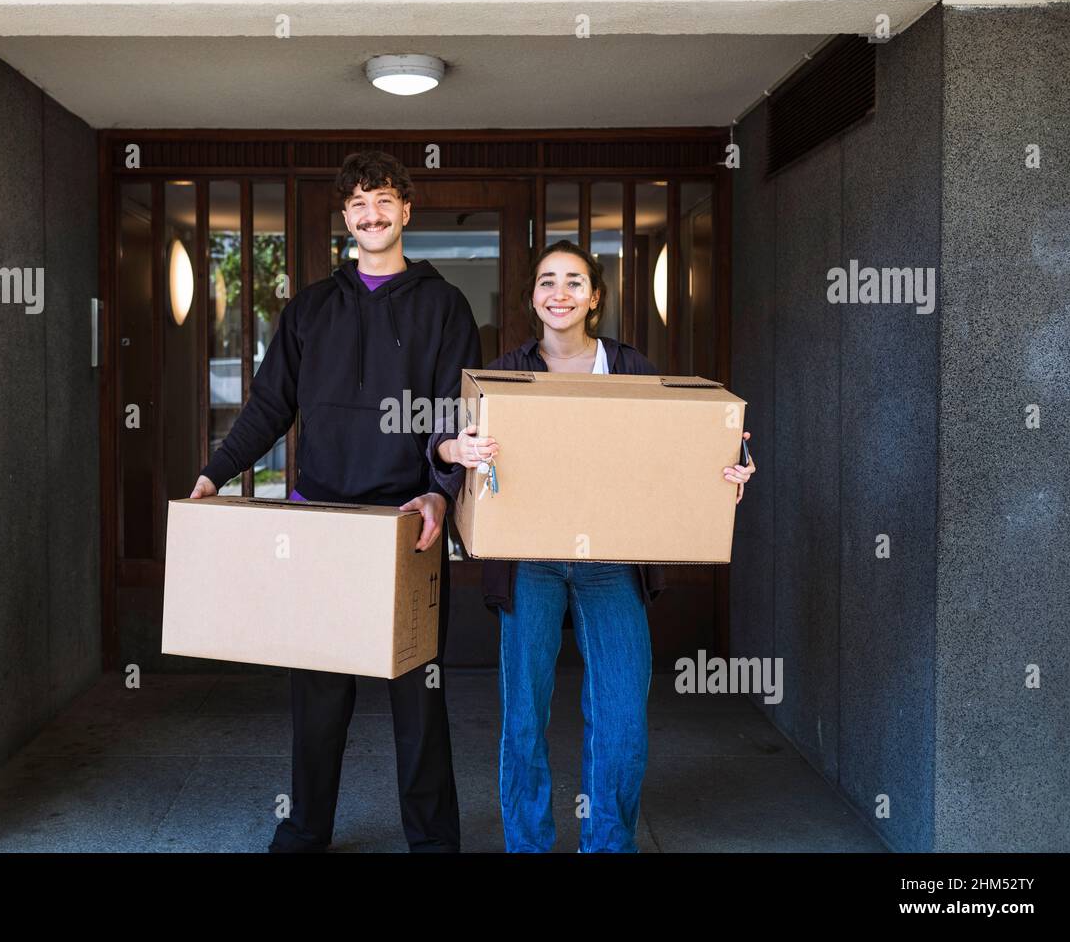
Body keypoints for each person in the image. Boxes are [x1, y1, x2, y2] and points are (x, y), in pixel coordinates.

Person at [191, 151, 481, 852]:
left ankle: (435, 842)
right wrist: (215, 474)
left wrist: (439, 496)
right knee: (318, 700)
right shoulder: (310, 310)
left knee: (418, 698)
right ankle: (307, 830)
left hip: (406, 525)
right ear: (345, 218)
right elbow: (267, 407)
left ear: (406, 211)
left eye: (383, 200)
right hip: (320, 522)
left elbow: (455, 418)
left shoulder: (445, 307)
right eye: (357, 204)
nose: (371, 215)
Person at [427, 239, 756, 852]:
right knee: (525, 718)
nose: (560, 293)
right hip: (532, 561)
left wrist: (730, 466)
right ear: (532, 296)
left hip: (611, 563)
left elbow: (681, 445)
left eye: (574, 282)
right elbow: (445, 443)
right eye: (548, 281)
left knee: (623, 718)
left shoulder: (629, 366)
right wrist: (458, 450)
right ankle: (528, 844)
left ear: (595, 296)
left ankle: (608, 842)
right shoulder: (502, 370)